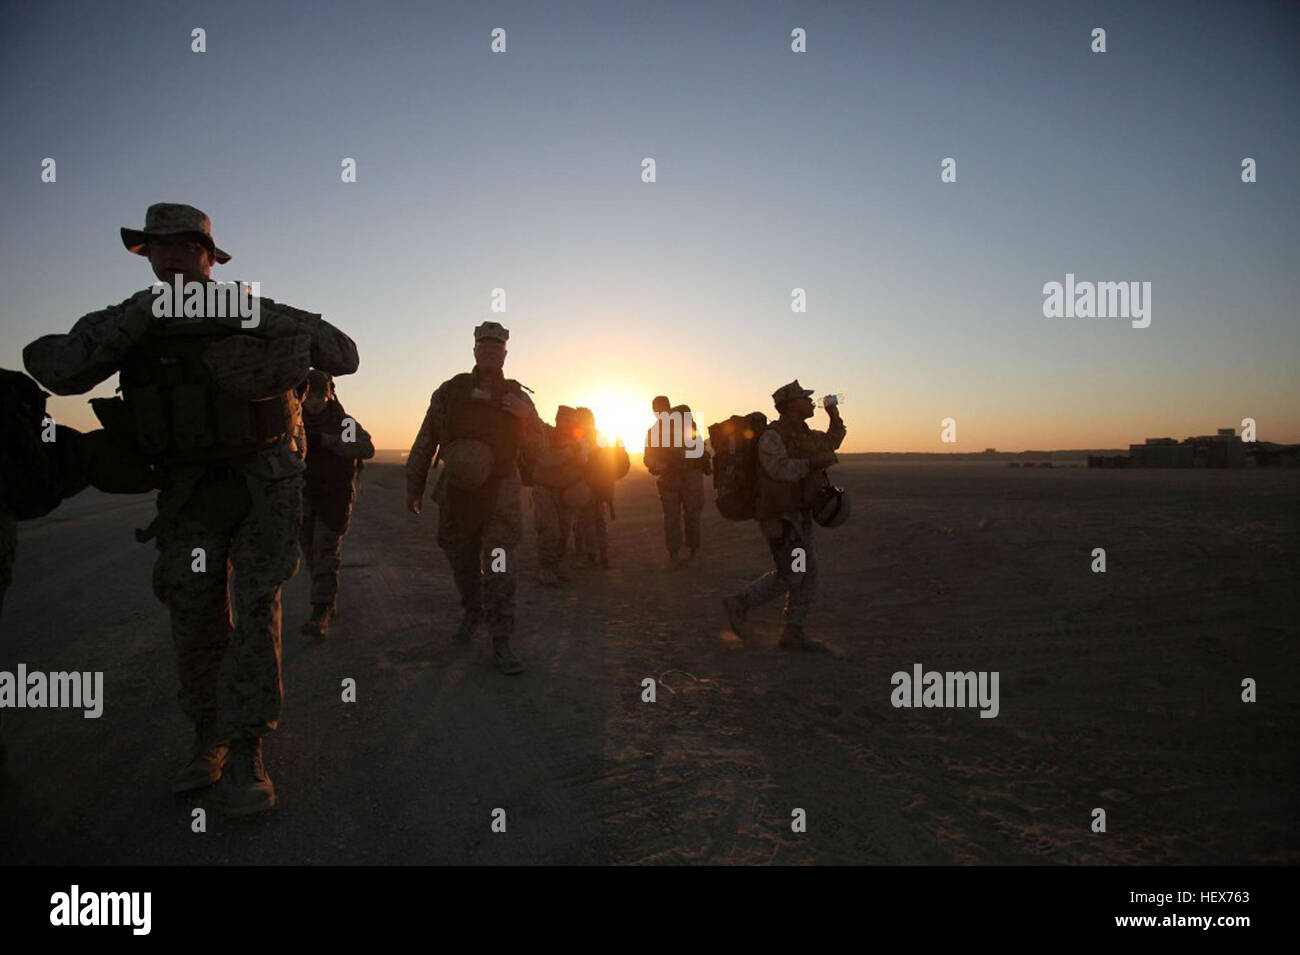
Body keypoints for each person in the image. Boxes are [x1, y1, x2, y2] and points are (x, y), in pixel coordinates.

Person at [23, 203, 359, 814]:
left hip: (266, 484)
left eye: (187, 244)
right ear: (147, 256)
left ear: (210, 257)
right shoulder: (129, 319)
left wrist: (250, 317)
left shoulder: (247, 307)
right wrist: (139, 322)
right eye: (159, 245)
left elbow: (343, 352)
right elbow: (58, 368)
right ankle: (208, 738)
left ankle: (249, 747)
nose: (174, 254)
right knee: (195, 613)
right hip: (189, 494)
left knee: (257, 609)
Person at [405, 321, 545, 674]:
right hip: (457, 491)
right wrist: (414, 485)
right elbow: (427, 440)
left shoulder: (517, 397)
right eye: (484, 345)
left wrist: (526, 419)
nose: (490, 351)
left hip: (501, 492)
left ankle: (501, 640)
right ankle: (473, 609)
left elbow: (540, 449)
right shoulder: (451, 392)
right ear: (474, 350)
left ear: (505, 353)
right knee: (460, 556)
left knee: (499, 563)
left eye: (496, 347)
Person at [722, 380, 845, 652]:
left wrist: (833, 415)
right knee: (794, 572)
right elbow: (777, 469)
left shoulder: (803, 434)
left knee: (805, 572)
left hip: (798, 512)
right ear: (790, 405)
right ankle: (741, 603)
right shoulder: (772, 436)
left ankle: (793, 631)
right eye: (804, 398)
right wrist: (811, 463)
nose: (810, 401)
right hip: (779, 516)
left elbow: (831, 443)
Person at [298, 369, 374, 638]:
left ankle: (321, 611)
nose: (315, 402)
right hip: (304, 497)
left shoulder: (343, 423)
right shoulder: (293, 421)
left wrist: (329, 442)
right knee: (310, 552)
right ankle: (326, 600)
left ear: (329, 395)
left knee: (325, 551)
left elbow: (366, 448)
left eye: (320, 395)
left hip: (335, 496)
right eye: (310, 396)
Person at [644, 396, 710, 566]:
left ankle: (692, 552)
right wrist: (659, 465)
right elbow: (648, 458)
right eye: (657, 410)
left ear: (668, 407)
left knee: (691, 515)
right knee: (672, 518)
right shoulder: (654, 432)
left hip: (689, 476)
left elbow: (698, 448)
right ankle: (675, 554)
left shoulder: (685, 425)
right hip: (671, 478)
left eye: (661, 408)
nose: (659, 413)